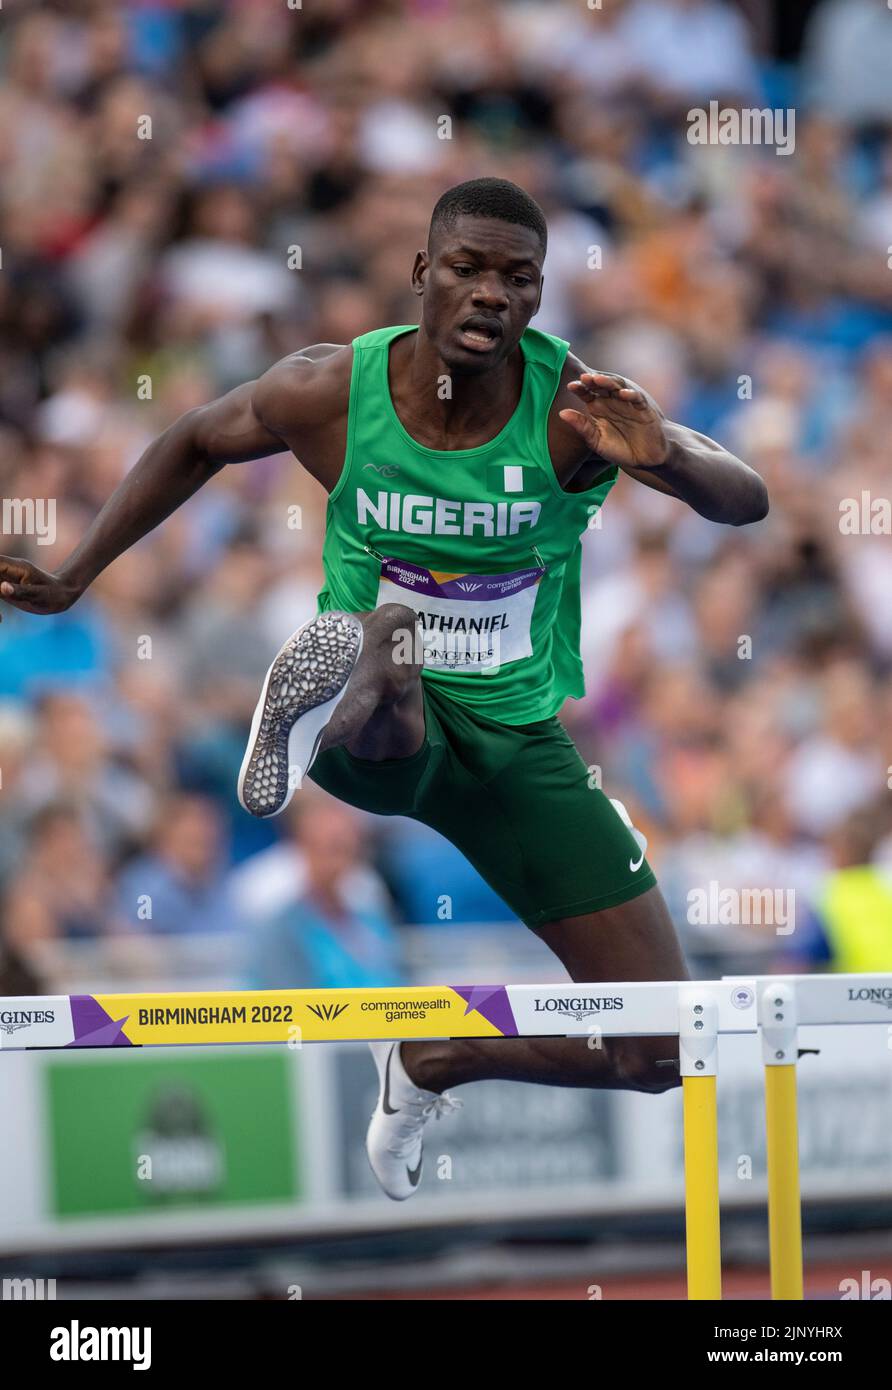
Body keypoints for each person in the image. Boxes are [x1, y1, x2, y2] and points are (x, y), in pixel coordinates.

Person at [0, 177, 768, 1201]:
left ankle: (434, 1058)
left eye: (516, 277)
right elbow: (191, 439)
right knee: (390, 638)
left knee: (664, 1046)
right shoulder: (330, 390)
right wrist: (78, 571)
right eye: (466, 268)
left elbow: (745, 498)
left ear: (539, 297)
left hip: (515, 747)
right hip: (381, 728)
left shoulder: (577, 410)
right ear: (420, 273)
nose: (490, 294)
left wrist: (665, 452)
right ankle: (311, 697)